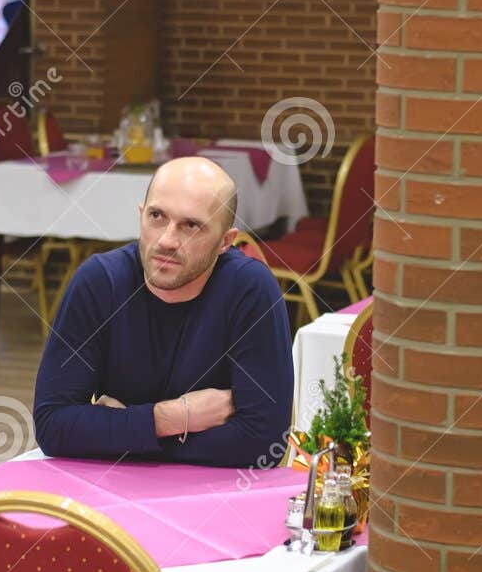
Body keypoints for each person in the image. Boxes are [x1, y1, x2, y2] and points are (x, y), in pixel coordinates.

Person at [33, 156, 292, 468]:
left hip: (213, 497)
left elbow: (264, 443)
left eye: (191, 226)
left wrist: (122, 429)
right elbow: (53, 426)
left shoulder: (250, 290)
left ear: (226, 242)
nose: (167, 240)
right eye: (157, 216)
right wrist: (177, 417)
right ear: (141, 215)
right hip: (112, 494)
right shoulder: (100, 282)